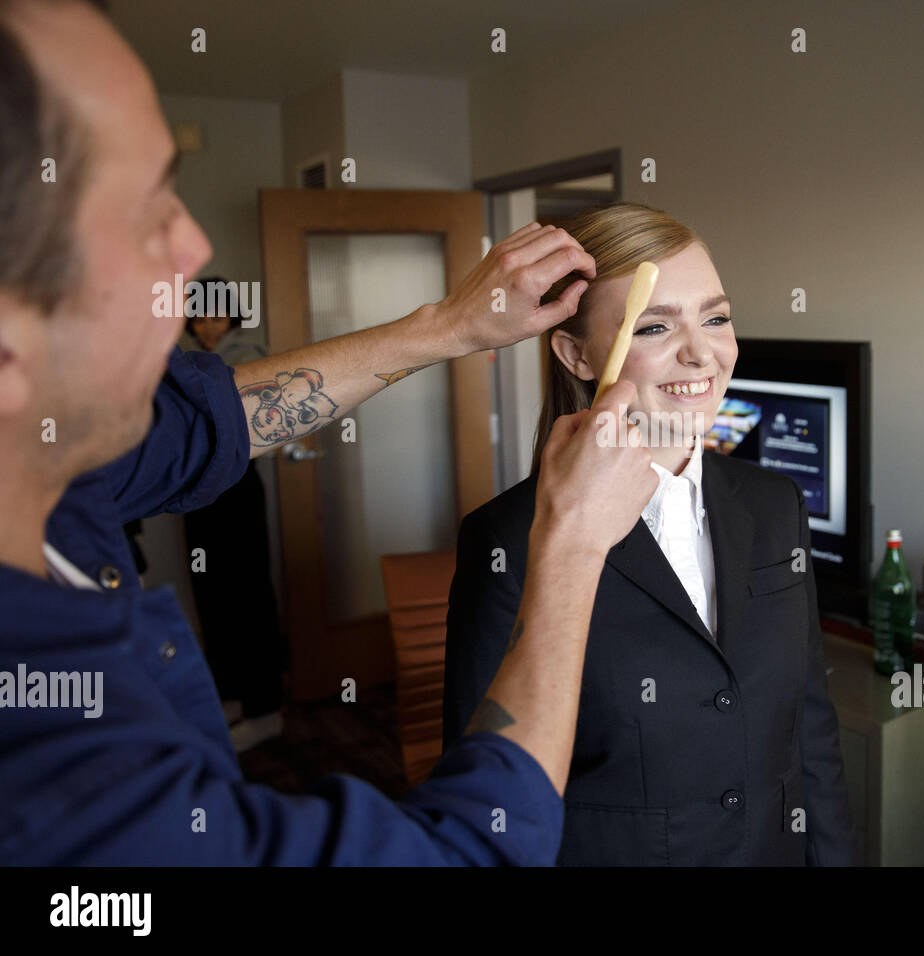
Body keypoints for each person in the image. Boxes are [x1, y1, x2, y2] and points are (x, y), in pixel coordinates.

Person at [0, 0, 657, 864]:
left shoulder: (58, 470)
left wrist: (447, 327)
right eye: (142, 210)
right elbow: (467, 854)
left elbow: (210, 420)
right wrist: (571, 545)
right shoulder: (56, 773)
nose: (194, 245)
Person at [443, 202, 856, 865]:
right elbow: (488, 788)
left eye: (716, 318)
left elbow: (810, 726)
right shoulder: (508, 541)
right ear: (577, 353)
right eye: (656, 325)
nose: (701, 353)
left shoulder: (778, 507)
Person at [180, 277, 286, 751]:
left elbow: (252, 420)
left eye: (215, 315)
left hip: (237, 489)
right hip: (197, 490)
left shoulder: (249, 353)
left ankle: (265, 709)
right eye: (198, 317)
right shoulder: (186, 359)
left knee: (247, 593)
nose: (206, 326)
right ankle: (228, 697)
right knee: (210, 592)